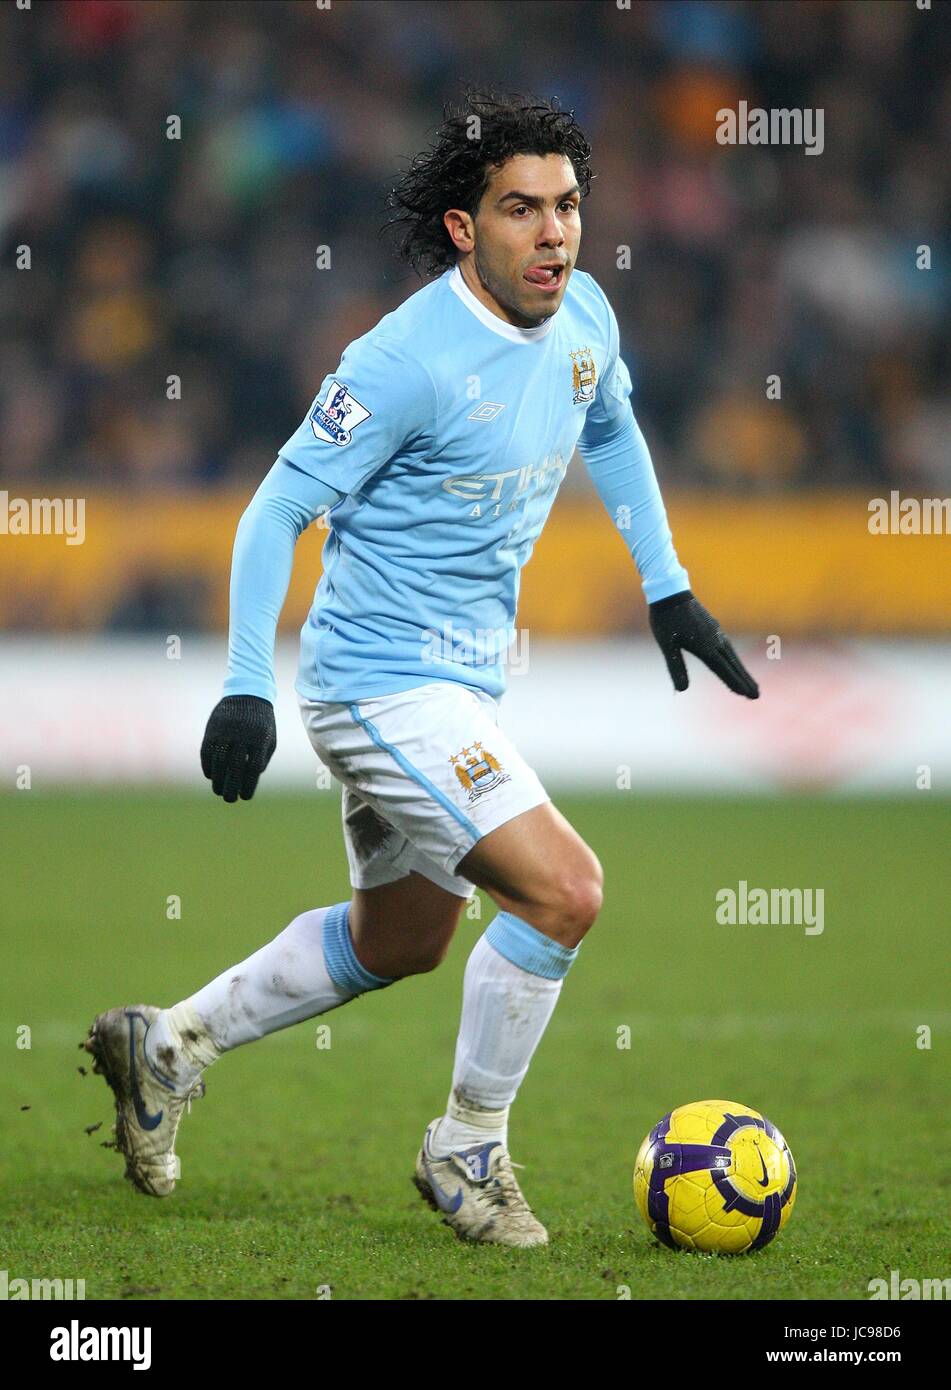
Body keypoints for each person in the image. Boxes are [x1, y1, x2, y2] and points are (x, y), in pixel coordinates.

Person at [84, 90, 758, 1248]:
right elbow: (276, 507)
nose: (554, 235)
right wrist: (247, 679)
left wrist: (668, 583)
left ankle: (168, 1042)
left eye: (568, 207)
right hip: (375, 685)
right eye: (521, 211)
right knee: (565, 890)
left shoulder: (584, 314)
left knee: (402, 938)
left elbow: (609, 427)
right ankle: (466, 1151)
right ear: (464, 228)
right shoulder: (402, 358)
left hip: (458, 686)